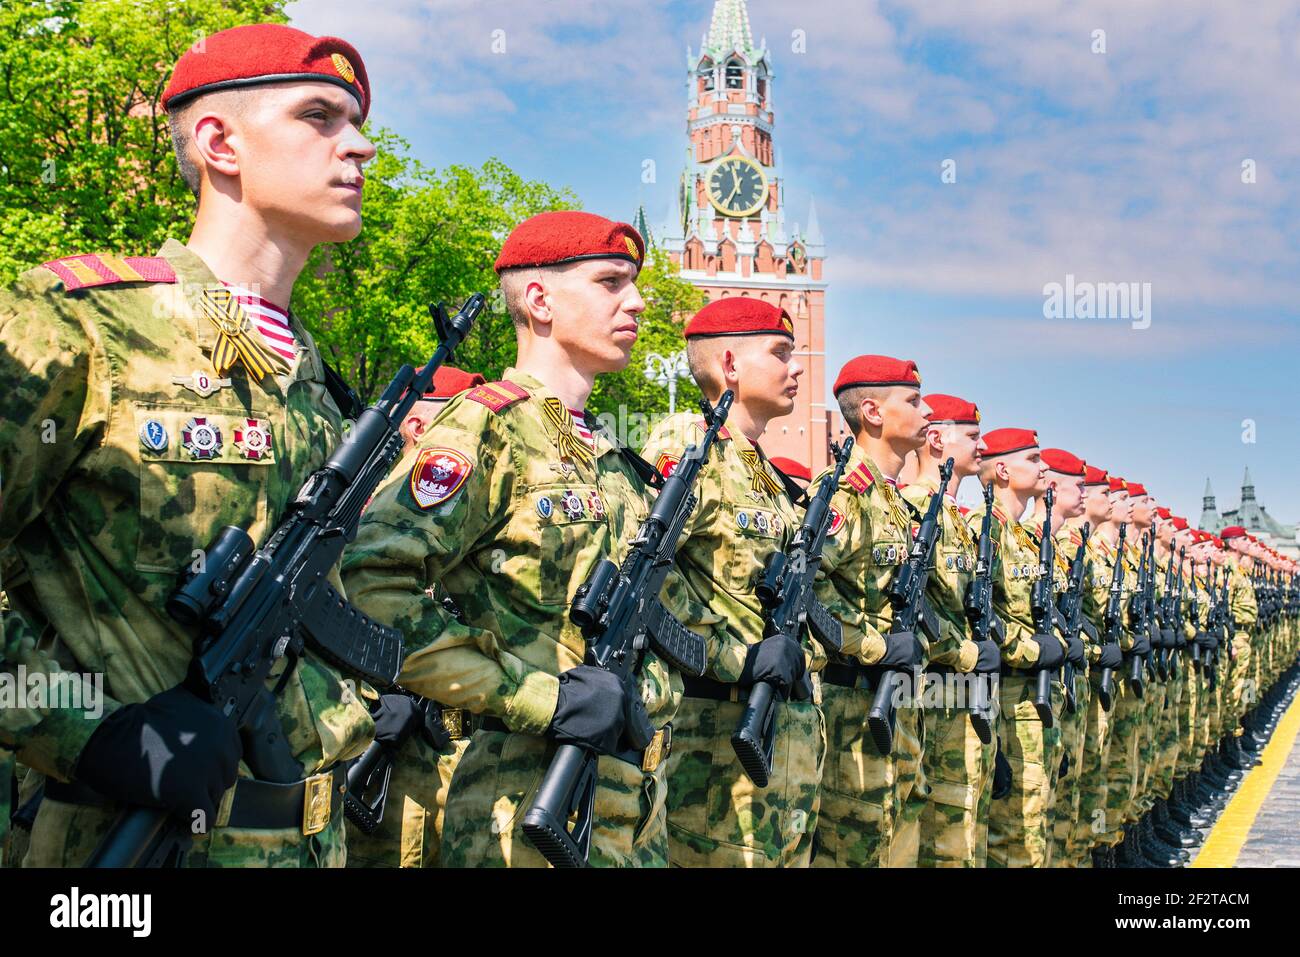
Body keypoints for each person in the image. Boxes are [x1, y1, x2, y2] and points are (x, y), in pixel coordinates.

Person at [0, 22, 380, 867]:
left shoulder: (316, 381)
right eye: (320, 117)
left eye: (356, 124)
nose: (359, 148)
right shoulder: (78, 324)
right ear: (220, 143)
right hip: (130, 848)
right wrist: (86, 734)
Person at [343, 210, 680, 867]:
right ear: (540, 299)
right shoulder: (485, 429)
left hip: (632, 807)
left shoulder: (614, 458)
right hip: (522, 809)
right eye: (611, 282)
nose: (636, 302)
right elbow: (370, 586)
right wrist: (538, 696)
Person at [640, 297, 824, 868]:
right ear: (730, 364)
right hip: (717, 751)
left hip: (782, 754)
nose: (796, 368)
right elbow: (649, 575)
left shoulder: (760, 468)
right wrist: (734, 658)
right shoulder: (689, 446)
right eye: (780, 353)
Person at [346, 363, 484, 869]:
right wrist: (365, 704)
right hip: (383, 755)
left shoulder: (472, 511)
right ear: (419, 428)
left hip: (460, 751)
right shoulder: (356, 508)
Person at [809, 355, 933, 867]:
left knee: (897, 846)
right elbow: (805, 595)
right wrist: (877, 645)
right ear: (873, 412)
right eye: (913, 401)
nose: (926, 414)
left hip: (898, 708)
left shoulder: (894, 502)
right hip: (853, 713)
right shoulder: (843, 493)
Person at [902, 393, 999, 867]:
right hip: (938, 695)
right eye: (974, 437)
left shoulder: (959, 520)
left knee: (968, 831)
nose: (982, 448)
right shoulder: (918, 510)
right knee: (944, 837)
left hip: (968, 694)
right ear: (937, 439)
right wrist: (965, 652)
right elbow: (913, 606)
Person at [967, 427, 1066, 868]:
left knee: (1035, 818)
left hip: (1035, 698)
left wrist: (1058, 644)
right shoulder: (983, 529)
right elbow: (981, 615)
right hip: (1005, 696)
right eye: (1034, 459)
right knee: (1013, 830)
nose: (1045, 469)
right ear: (1003, 470)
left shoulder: (1027, 539)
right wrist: (1032, 650)